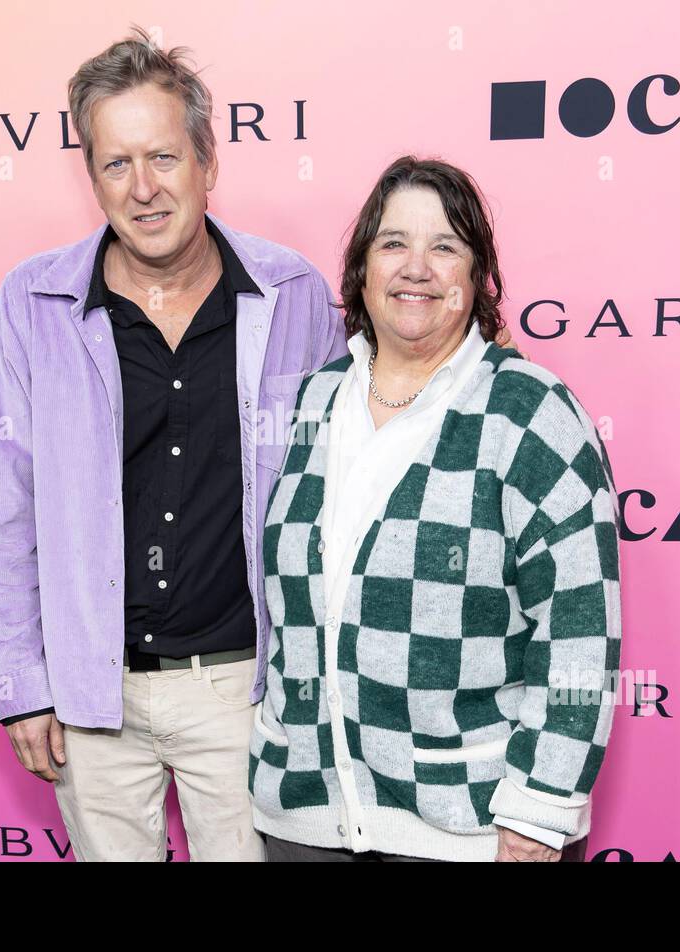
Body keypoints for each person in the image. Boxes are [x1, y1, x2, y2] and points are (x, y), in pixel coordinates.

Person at [0, 28, 520, 862]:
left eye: (165, 157)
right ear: (91, 176)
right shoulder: (32, 303)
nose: (144, 188)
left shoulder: (291, 291)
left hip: (247, 690)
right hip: (89, 692)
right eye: (117, 164)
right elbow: (3, 505)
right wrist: (20, 683)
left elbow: (359, 464)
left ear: (207, 160)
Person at [250, 156, 622, 862]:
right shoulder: (313, 402)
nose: (415, 267)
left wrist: (540, 814)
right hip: (306, 823)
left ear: (476, 277)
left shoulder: (530, 412)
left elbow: (579, 627)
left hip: (473, 833)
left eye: (444, 245)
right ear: (361, 267)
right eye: (393, 243)